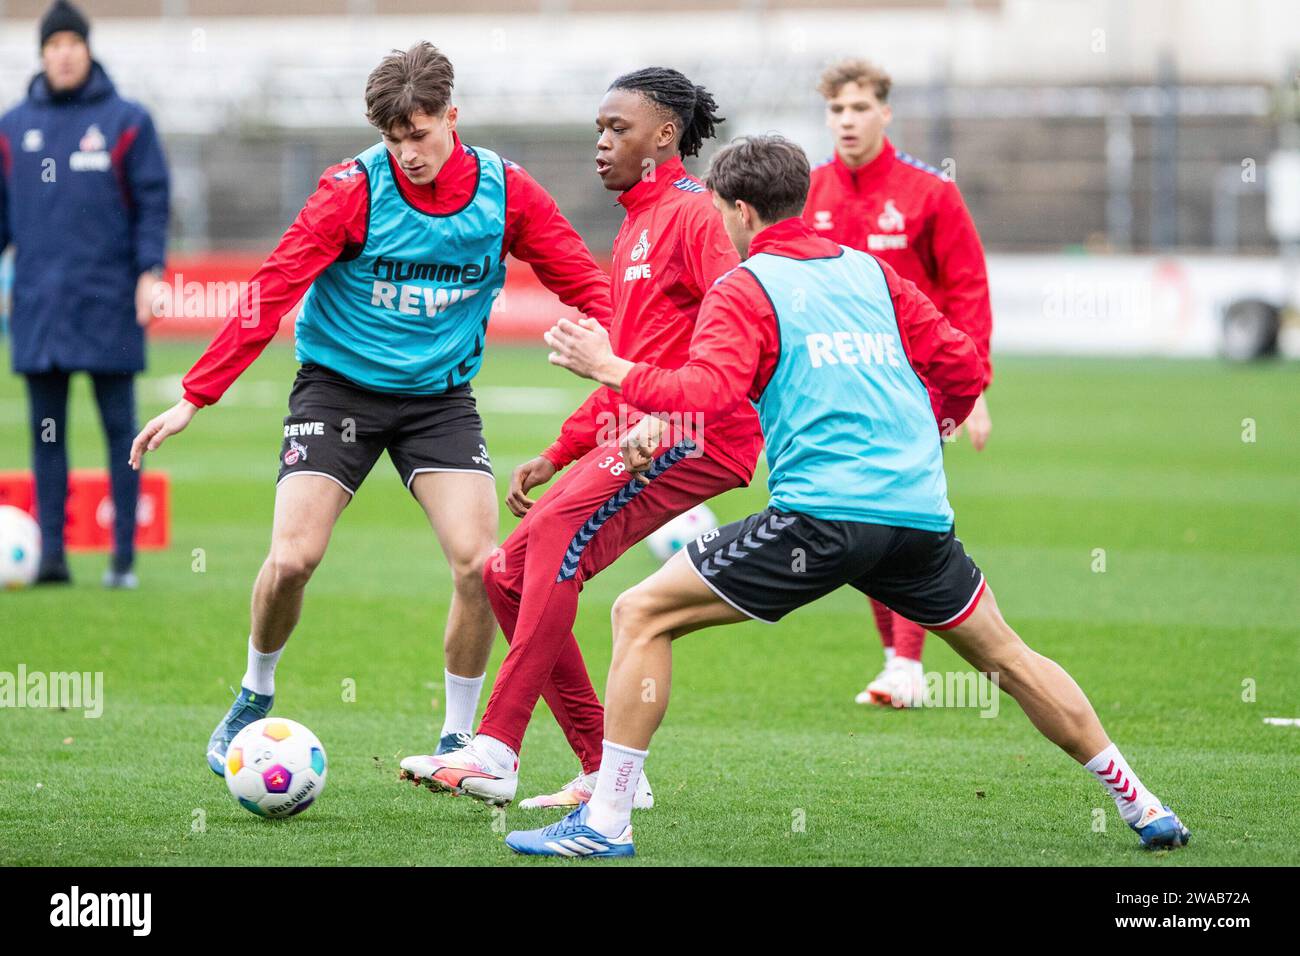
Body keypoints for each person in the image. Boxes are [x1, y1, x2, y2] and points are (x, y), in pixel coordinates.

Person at [516, 134, 1190, 858]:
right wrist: (942, 421)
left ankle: (606, 822)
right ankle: (1142, 802)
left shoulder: (745, 287)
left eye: (718, 211)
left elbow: (709, 395)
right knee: (1011, 659)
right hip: (917, 517)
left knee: (639, 613)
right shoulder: (870, 272)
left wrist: (610, 366)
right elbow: (960, 363)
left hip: (820, 522)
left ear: (739, 211)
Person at [127, 42, 613, 776]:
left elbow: (585, 280)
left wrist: (637, 363)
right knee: (294, 559)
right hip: (337, 389)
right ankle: (255, 694)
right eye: (393, 139)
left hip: (438, 401)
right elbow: (271, 290)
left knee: (482, 566)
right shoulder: (351, 189)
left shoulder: (505, 192)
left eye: (419, 134)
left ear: (453, 116)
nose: (407, 152)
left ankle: (456, 737)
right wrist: (196, 395)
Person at [397, 67, 763, 810]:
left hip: (700, 432)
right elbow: (629, 364)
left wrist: (665, 420)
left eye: (617, 129)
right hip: (646, 430)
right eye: (599, 128)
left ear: (665, 135)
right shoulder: (636, 221)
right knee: (504, 572)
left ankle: (495, 748)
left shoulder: (695, 217)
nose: (601, 143)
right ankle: (603, 766)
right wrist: (561, 450)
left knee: (559, 527)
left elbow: (746, 327)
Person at [804, 59, 996, 709]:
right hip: (840, 381)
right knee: (859, 514)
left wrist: (975, 388)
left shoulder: (930, 193)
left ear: (885, 113)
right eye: (836, 110)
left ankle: (908, 664)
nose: (847, 121)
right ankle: (896, 661)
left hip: (920, 383)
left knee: (901, 508)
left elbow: (968, 289)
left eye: (859, 108)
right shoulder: (810, 192)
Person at [0, 0, 170, 588]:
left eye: (72, 42)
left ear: (87, 48)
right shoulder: (13, 127)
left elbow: (153, 205)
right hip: (38, 308)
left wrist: (151, 272)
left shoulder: (127, 121)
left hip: (108, 302)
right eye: (53, 44)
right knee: (46, 435)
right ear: (42, 53)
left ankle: (122, 558)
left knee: (121, 431)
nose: (63, 53)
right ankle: (51, 557)